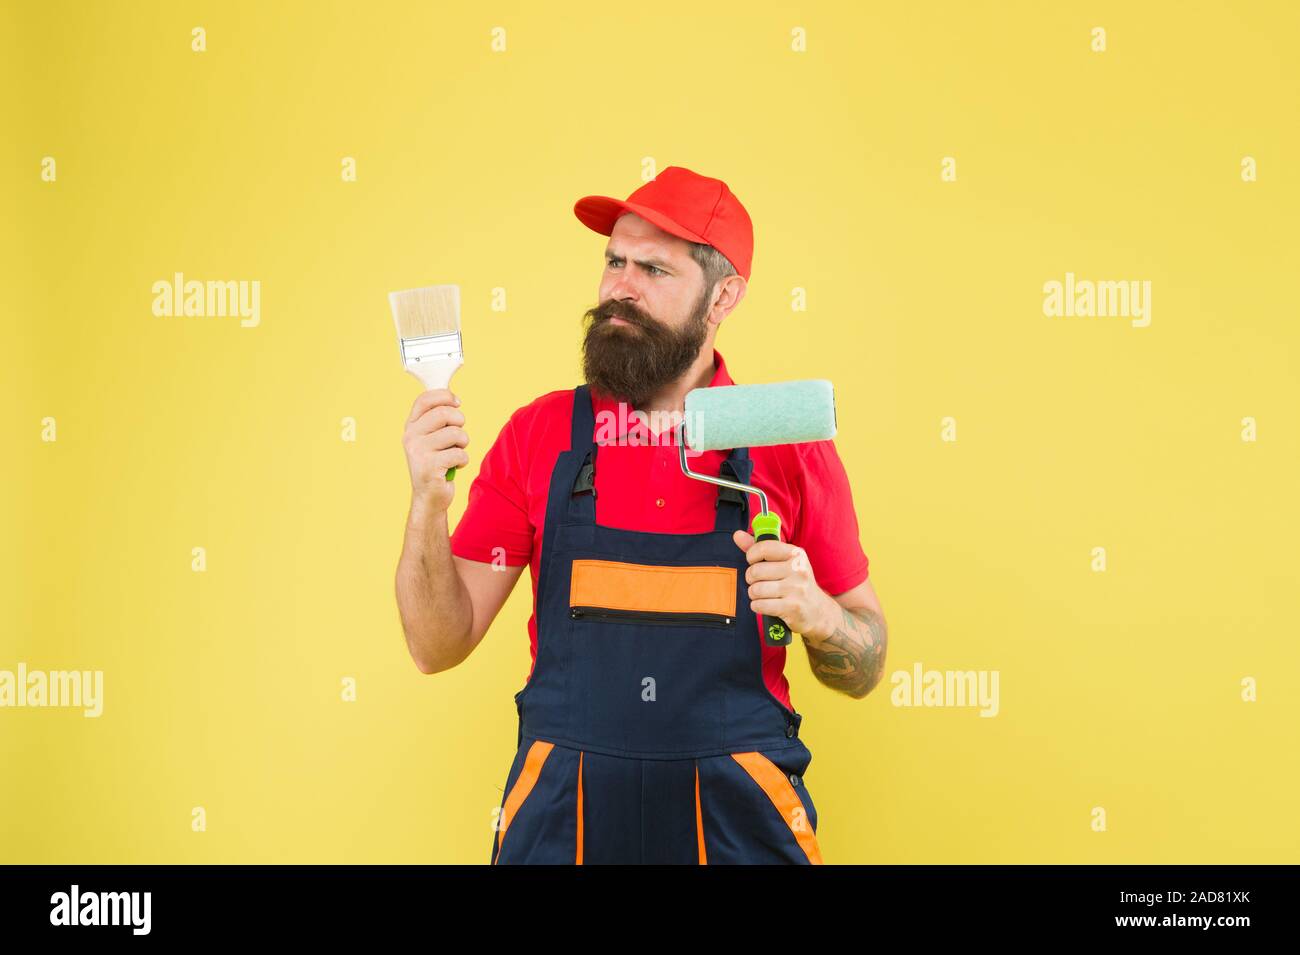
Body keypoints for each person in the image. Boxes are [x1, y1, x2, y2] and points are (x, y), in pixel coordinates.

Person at [394, 166, 888, 864]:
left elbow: (864, 662)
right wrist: (426, 506)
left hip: (740, 825)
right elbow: (435, 645)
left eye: (654, 268)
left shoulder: (784, 443)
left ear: (724, 296)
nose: (620, 287)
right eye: (614, 261)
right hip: (562, 824)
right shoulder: (541, 438)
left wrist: (820, 614)